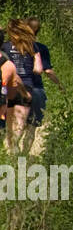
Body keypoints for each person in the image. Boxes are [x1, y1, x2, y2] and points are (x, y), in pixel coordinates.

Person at [2, 20, 42, 148]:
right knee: (19, 124)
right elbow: (38, 69)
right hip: (26, 86)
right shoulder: (32, 46)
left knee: (9, 125)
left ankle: (11, 151)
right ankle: (15, 152)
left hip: (9, 86)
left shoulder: (5, 47)